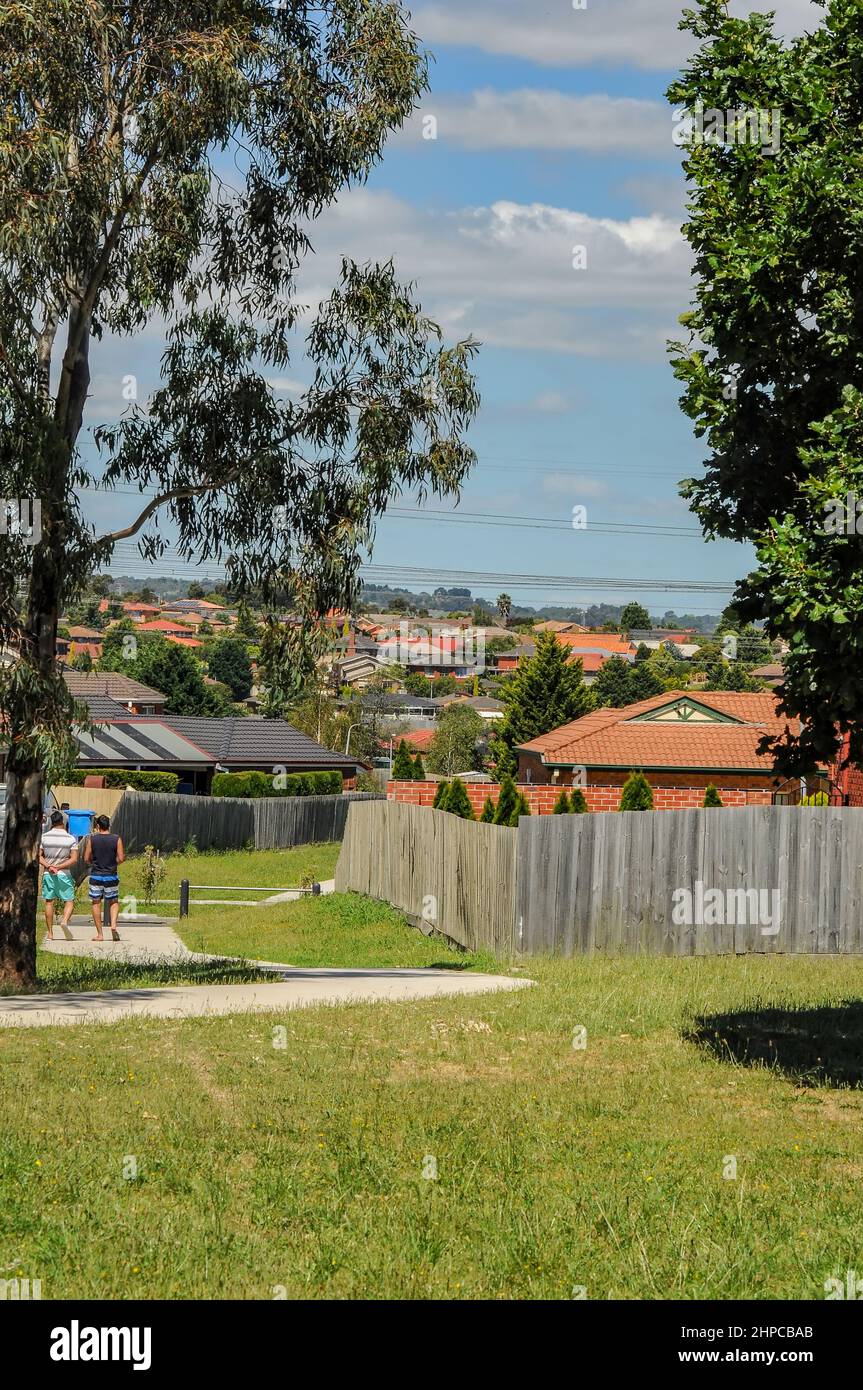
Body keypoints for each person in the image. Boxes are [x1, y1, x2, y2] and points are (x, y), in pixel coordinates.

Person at [83, 815, 126, 942]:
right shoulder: (116, 839)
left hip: (96, 875)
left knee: (96, 903)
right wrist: (114, 863)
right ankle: (113, 925)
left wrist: (93, 863)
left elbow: (86, 858)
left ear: (97, 826)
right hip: (111, 875)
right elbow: (121, 858)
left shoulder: (92, 839)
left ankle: (100, 934)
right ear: (109, 825)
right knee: (114, 901)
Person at [39, 810, 79, 940]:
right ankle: (64, 921)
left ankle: (50, 933)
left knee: (49, 902)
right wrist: (59, 866)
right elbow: (74, 859)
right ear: (63, 822)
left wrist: (50, 866)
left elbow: (38, 856)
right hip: (64, 874)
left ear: (51, 822)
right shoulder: (70, 838)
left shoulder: (44, 837)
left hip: (48, 874)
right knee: (69, 900)